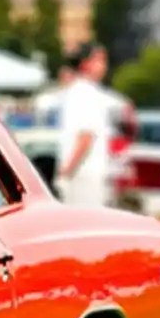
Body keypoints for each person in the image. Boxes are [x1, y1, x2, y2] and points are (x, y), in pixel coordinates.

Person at [54, 43, 116, 208]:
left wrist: (64, 172)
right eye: (100, 60)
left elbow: (85, 138)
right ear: (85, 63)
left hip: (83, 174)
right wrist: (67, 172)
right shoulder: (84, 93)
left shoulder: (82, 92)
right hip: (82, 175)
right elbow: (85, 137)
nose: (104, 66)